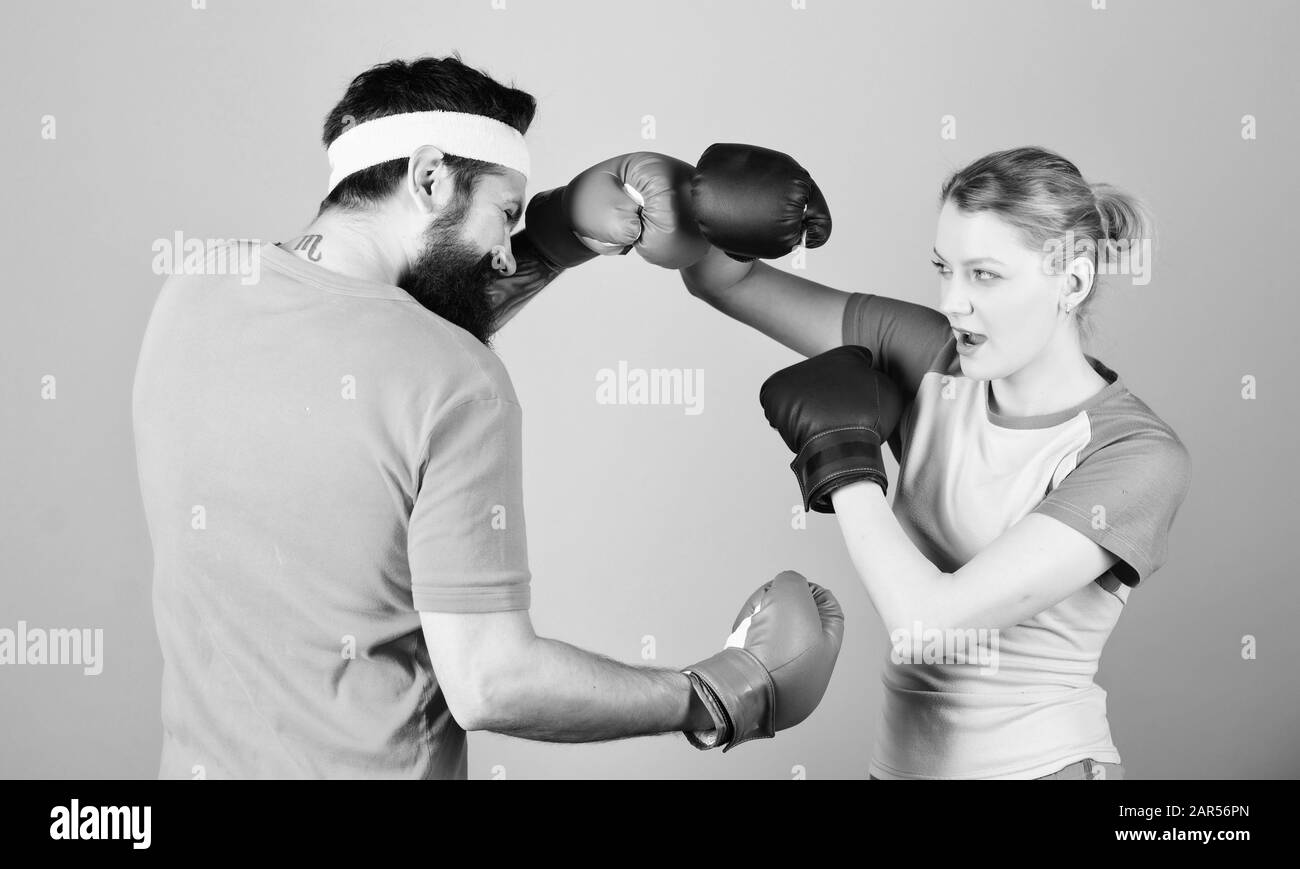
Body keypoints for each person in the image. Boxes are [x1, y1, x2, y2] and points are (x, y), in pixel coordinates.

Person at [131, 55, 841, 779]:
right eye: (506, 215)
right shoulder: (461, 383)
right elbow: (492, 681)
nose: (507, 255)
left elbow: (367, 345)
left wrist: (556, 243)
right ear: (429, 176)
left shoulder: (195, 291)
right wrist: (712, 693)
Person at [683, 144, 1192, 780]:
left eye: (984, 275)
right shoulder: (932, 358)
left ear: (1073, 281)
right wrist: (706, 204)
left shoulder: (1134, 453)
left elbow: (929, 626)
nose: (953, 302)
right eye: (942, 268)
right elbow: (723, 280)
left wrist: (843, 460)